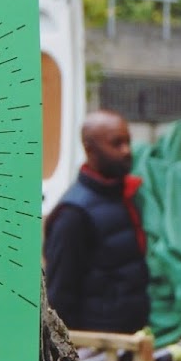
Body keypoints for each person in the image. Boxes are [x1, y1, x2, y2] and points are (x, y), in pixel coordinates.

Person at [43, 110, 150, 333]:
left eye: (128, 142)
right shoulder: (72, 215)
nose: (126, 151)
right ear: (89, 149)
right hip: (96, 344)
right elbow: (60, 297)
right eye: (116, 143)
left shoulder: (122, 196)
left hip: (130, 338)